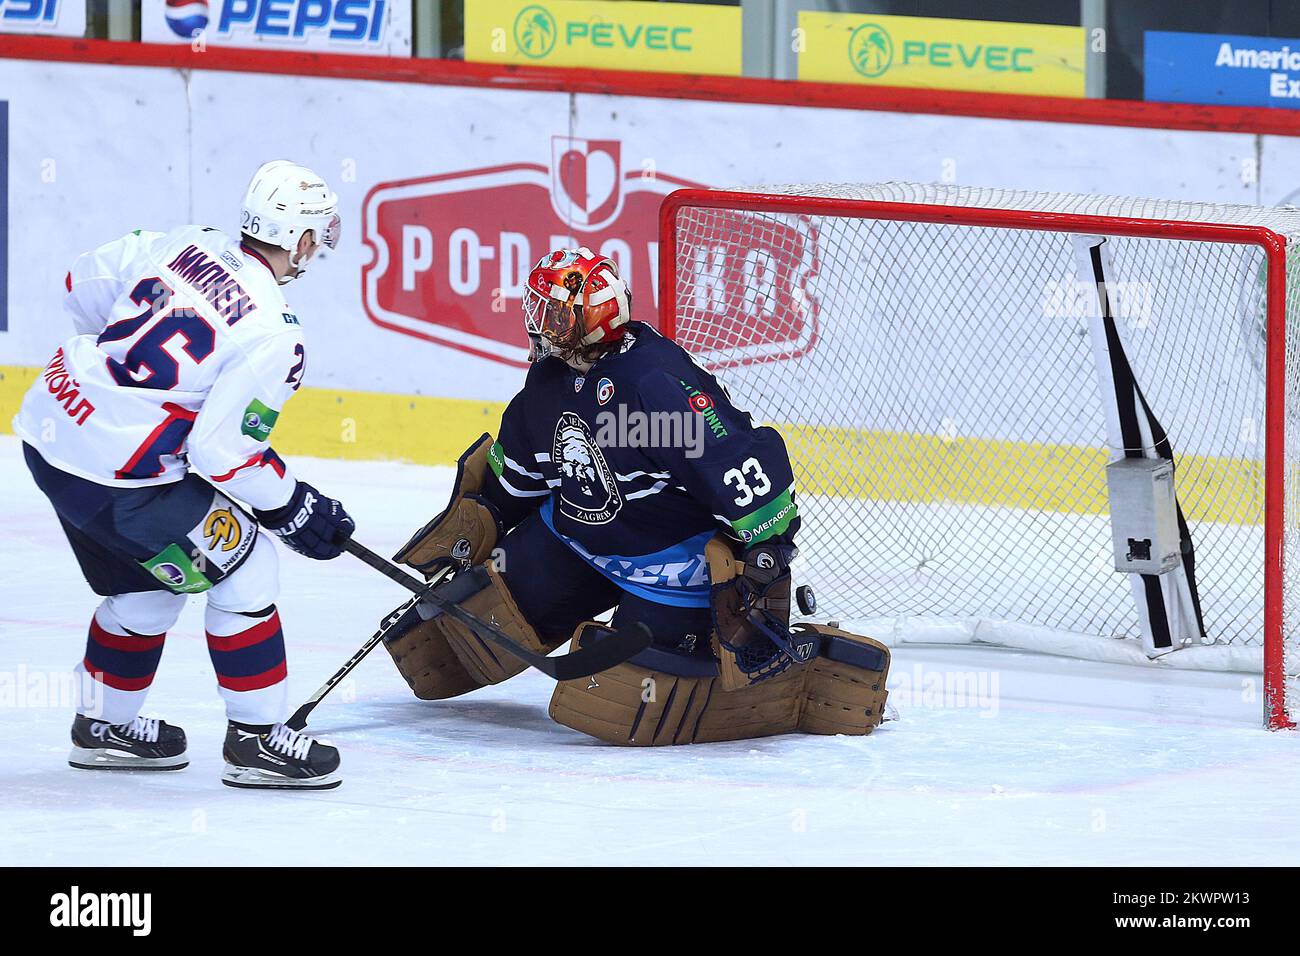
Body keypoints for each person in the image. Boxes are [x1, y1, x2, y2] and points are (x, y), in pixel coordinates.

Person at [381, 247, 890, 745]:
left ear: (593, 317)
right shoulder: (547, 384)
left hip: (667, 565)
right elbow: (516, 476)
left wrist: (765, 550)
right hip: (576, 541)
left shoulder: (652, 385)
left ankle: (799, 669)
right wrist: (479, 524)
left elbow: (736, 462)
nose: (539, 324)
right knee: (451, 632)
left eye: (554, 313)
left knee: (618, 701)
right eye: (539, 311)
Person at [14, 160, 355, 788]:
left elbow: (77, 286)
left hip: (51, 435)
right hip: (124, 480)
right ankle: (256, 742)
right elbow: (224, 452)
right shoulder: (275, 332)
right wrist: (296, 505)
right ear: (301, 240)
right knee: (248, 567)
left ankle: (103, 727)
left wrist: (116, 391)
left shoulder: (182, 242)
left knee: (149, 587)